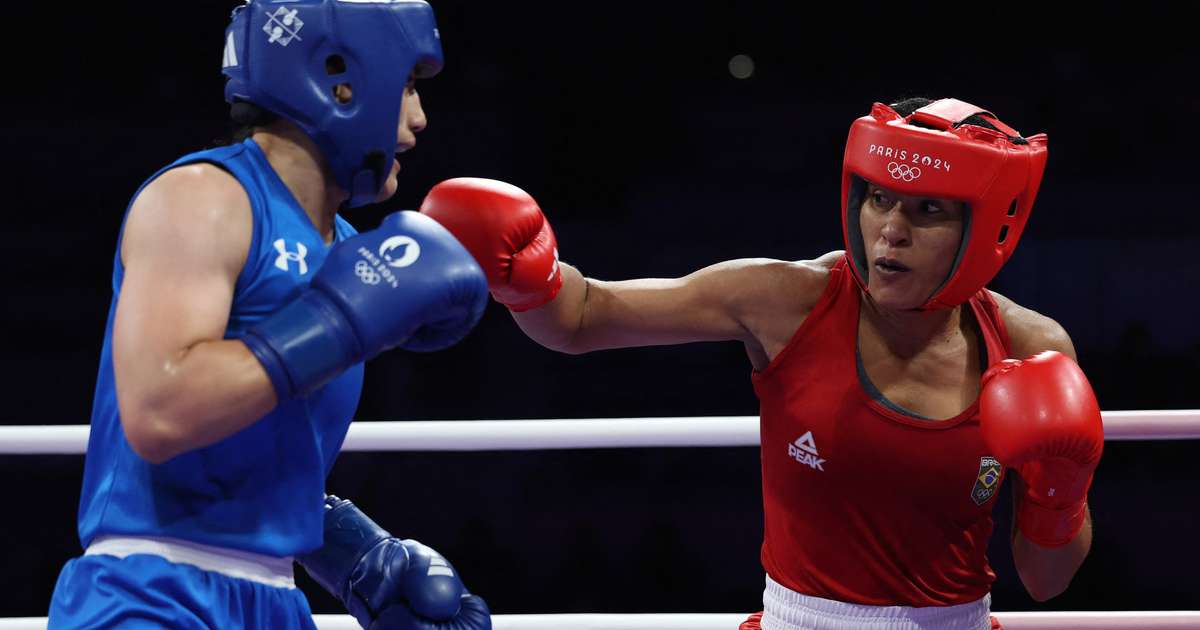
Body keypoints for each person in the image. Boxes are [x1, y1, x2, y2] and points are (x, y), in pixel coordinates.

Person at [420, 98, 1105, 629]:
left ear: (985, 228)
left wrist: (1061, 491)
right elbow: (583, 316)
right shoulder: (786, 301)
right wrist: (527, 280)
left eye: (928, 209)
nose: (891, 230)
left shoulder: (1030, 347)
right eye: (880, 198)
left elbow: (1046, 580)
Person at [48, 1, 492, 628]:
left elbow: (263, 450)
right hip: (150, 594)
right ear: (341, 78)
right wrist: (337, 322)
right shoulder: (205, 197)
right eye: (409, 85)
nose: (419, 118)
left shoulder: (349, 254)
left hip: (277, 599)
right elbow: (158, 411)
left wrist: (355, 553)